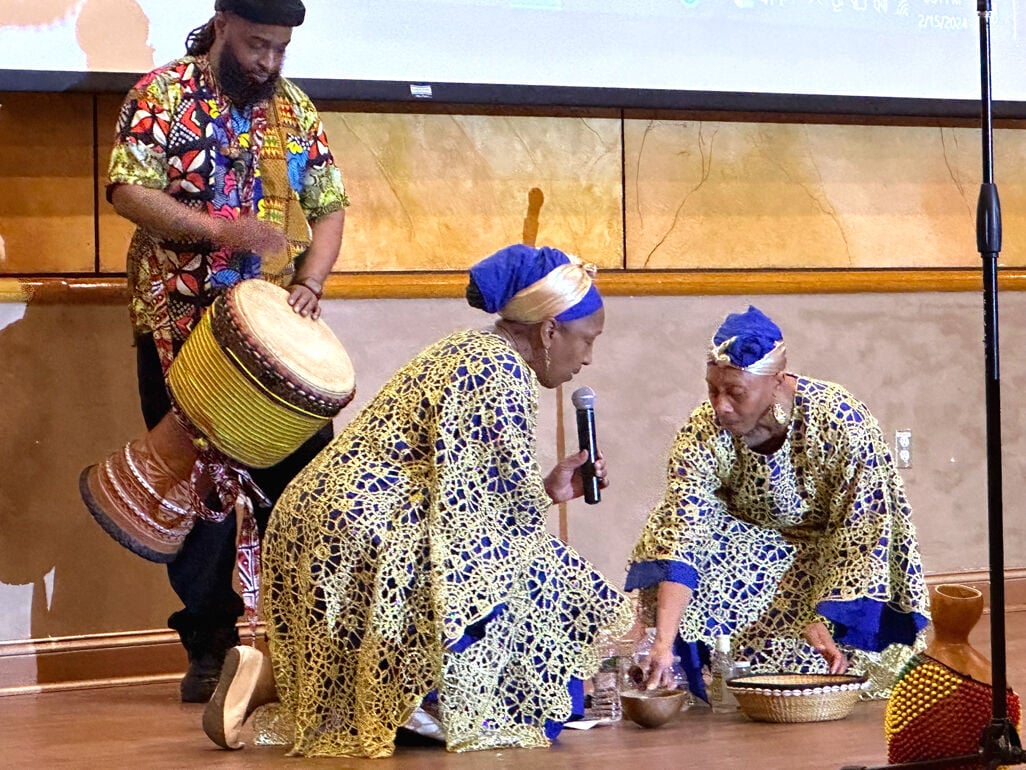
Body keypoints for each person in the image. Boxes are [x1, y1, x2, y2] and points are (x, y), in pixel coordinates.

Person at [202, 244, 632, 758]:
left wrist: (549, 489)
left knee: (506, 578)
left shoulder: (468, 349)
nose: (588, 358)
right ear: (549, 331)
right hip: (364, 528)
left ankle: (267, 679)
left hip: (317, 516)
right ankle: (425, 702)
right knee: (543, 592)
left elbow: (473, 490)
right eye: (587, 340)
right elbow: (479, 521)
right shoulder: (501, 373)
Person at [105, 0, 348, 702]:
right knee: (199, 492)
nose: (268, 62)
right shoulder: (161, 94)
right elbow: (127, 190)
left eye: (279, 49)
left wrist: (311, 282)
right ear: (221, 23)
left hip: (270, 337)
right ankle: (210, 650)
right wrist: (220, 232)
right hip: (178, 324)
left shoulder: (295, 110)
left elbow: (330, 207)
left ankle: (306, 647)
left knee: (306, 485)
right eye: (255, 45)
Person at [626, 305, 930, 700]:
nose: (721, 406)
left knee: (820, 671)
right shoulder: (703, 431)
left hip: (831, 558)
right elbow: (682, 532)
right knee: (662, 529)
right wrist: (663, 643)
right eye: (713, 390)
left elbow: (861, 532)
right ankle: (694, 664)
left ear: (776, 381)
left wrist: (823, 615)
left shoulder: (841, 421)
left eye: (735, 393)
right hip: (751, 555)